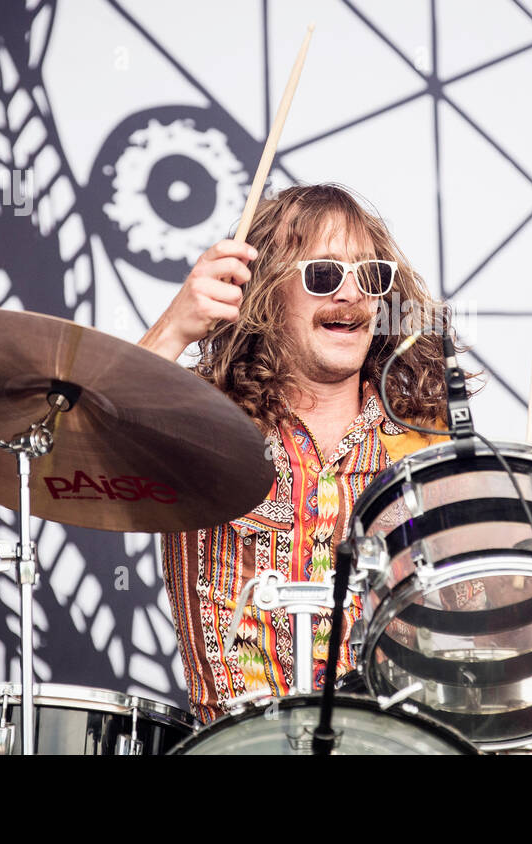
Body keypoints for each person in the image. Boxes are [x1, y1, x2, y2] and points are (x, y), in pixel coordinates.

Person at [139, 183, 452, 723]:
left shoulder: (424, 446)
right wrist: (172, 329)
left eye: (370, 276)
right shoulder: (200, 423)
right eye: (323, 274)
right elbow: (73, 440)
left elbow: (475, 632)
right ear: (264, 292)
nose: (351, 294)